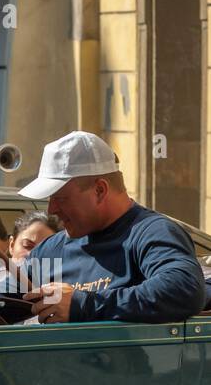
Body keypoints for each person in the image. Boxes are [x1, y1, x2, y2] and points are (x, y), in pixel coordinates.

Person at [14, 131, 204, 324]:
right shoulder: (51, 250)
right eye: (50, 199)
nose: (52, 209)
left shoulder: (150, 233)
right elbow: (3, 296)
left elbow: (183, 288)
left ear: (99, 190)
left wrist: (84, 305)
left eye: (61, 198)